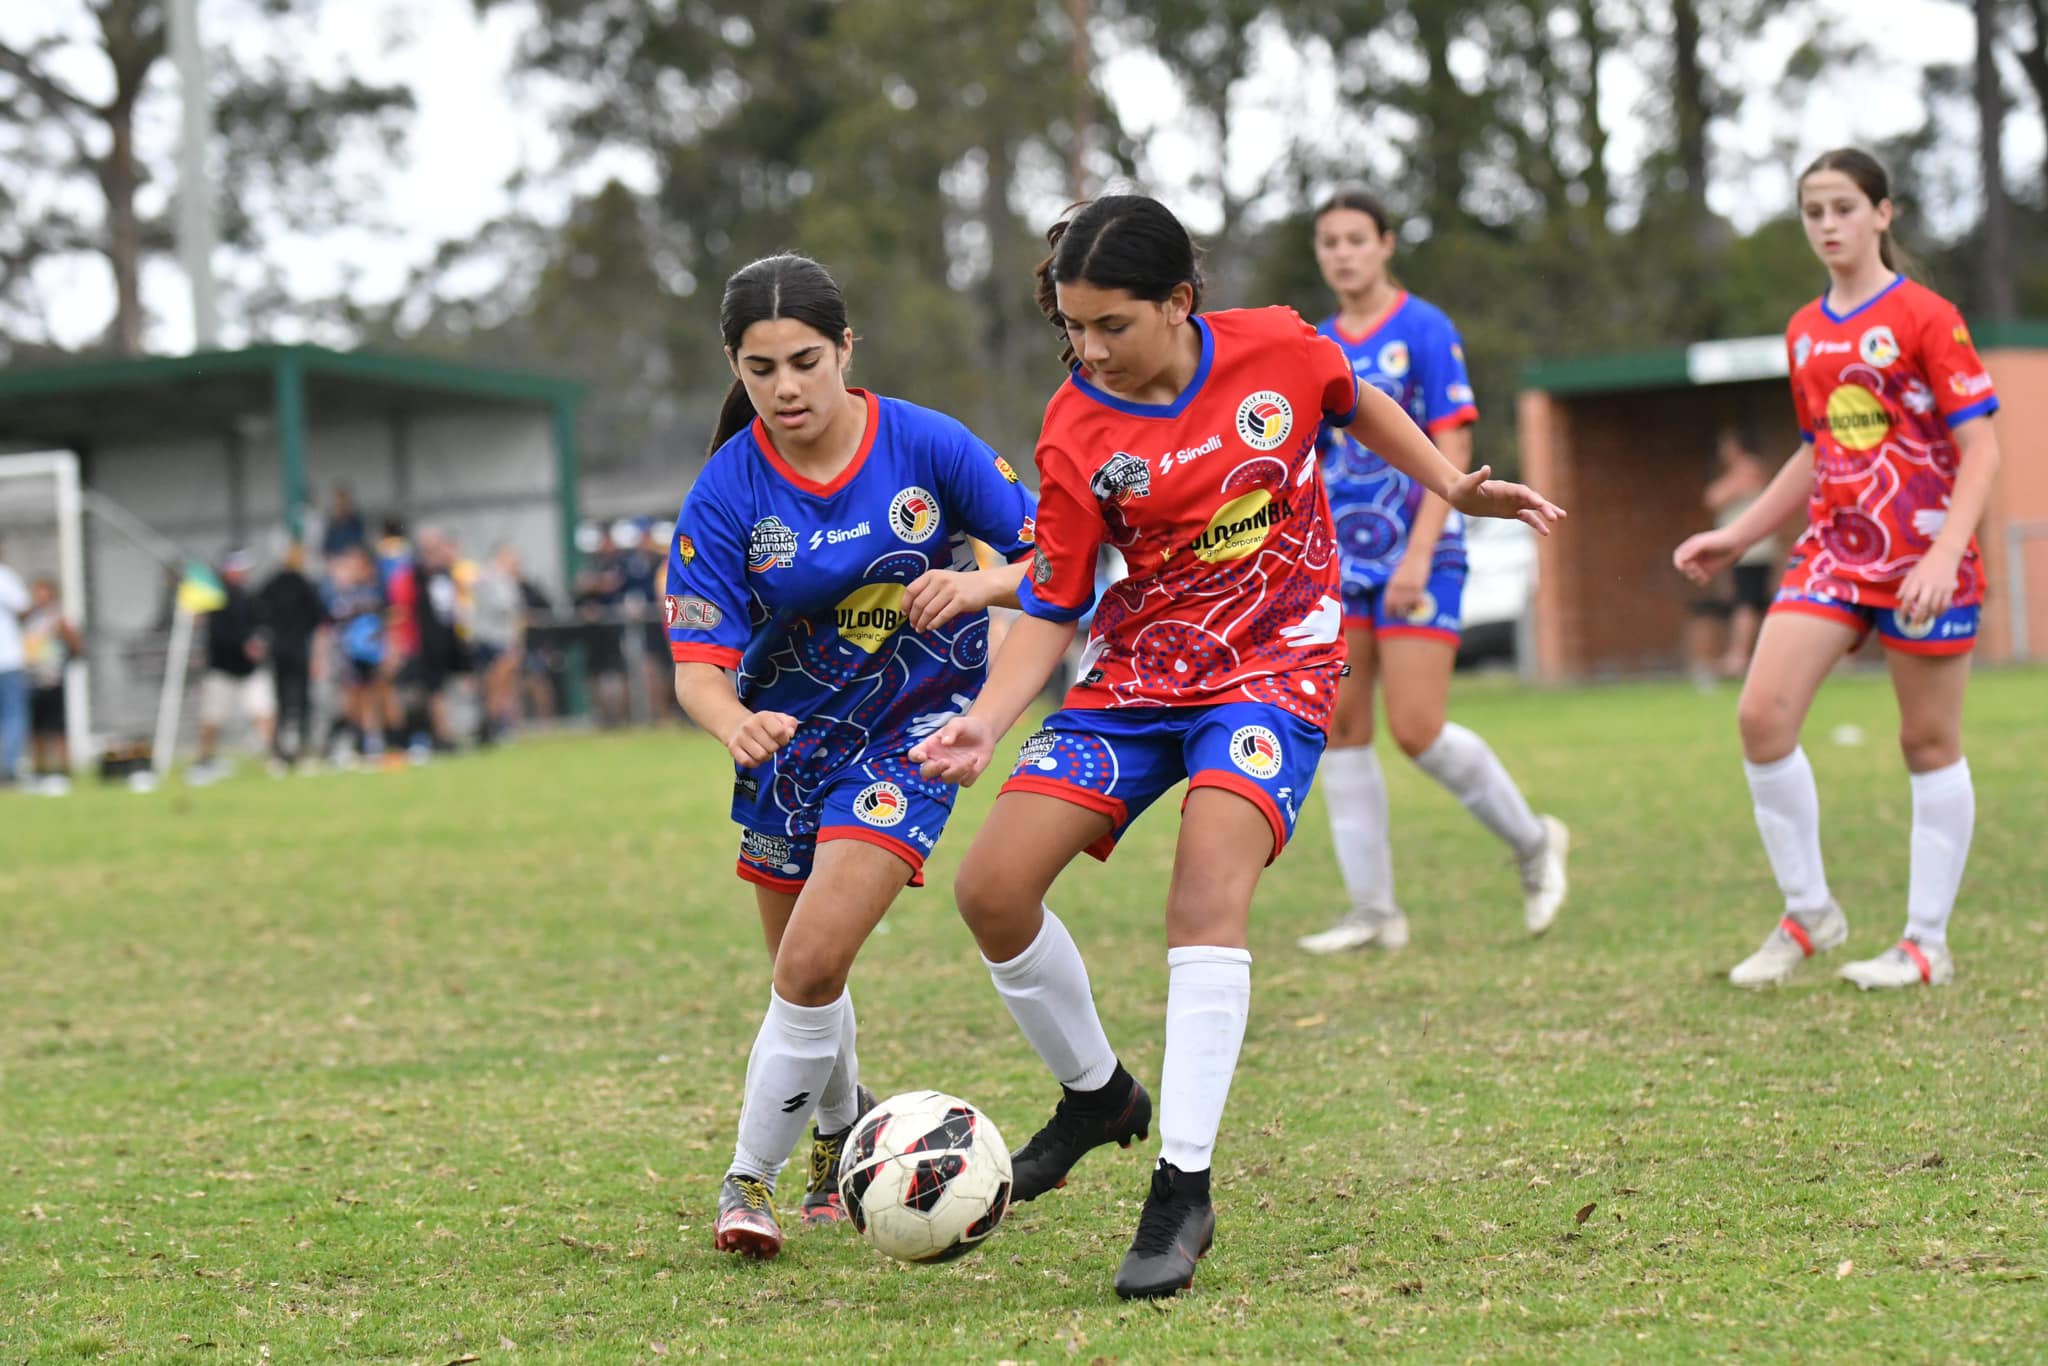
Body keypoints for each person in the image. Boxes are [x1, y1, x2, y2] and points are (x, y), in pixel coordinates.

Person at [908, 195, 1563, 1299]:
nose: (1087, 350)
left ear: (1178, 302)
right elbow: (1059, 600)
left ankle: (1181, 1185)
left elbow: (1355, 402)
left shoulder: (1276, 346)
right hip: (1131, 680)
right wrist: (987, 713)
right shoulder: (1074, 428)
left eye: (1110, 324)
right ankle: (1098, 1095)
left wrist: (1448, 485)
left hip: (1273, 670)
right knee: (990, 889)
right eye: (1071, 328)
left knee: (1203, 896)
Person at [666, 253, 1037, 1261]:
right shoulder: (725, 489)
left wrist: (976, 589)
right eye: (758, 369)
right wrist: (730, 720)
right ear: (735, 370)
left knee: (814, 956)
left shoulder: (927, 443)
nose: (784, 388)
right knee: (804, 976)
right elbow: (696, 664)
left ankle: (748, 1180)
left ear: (844, 350)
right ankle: (843, 1124)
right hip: (783, 751)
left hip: (911, 738)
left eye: (803, 361)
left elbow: (1053, 560)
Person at [1674, 148, 2002, 991]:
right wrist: (1739, 533)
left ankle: (1926, 942)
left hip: (1927, 559)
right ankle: (1810, 911)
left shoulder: (1929, 315)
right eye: (1814, 210)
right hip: (1835, 553)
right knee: (1761, 716)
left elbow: (1983, 448)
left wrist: (1940, 551)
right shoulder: (1804, 329)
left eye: (1844, 207)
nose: (1828, 224)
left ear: (1882, 214)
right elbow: (1819, 449)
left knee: (1926, 740)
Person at [1292, 188, 1569, 956]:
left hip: (1422, 554)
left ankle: (1534, 842)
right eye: (1329, 241)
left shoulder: (1425, 329)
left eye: (1356, 238)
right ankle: (1375, 912)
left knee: (1416, 729)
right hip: (1339, 564)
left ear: (1385, 244)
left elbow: (1453, 455)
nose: (1342, 252)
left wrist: (1417, 555)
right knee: (1342, 729)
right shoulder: (1314, 343)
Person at [191, 550, 274, 783]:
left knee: (263, 712)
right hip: (222, 669)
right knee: (212, 718)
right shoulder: (216, 599)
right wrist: (243, 645)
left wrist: (260, 643)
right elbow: (218, 635)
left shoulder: (249, 597)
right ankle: (204, 760)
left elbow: (262, 626)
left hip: (249, 670)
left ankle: (271, 757)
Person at [257, 543, 328, 770]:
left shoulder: (273, 583)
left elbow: (257, 608)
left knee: (283, 701)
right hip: (297, 650)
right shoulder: (304, 584)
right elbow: (319, 619)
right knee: (302, 702)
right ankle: (300, 747)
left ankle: (282, 750)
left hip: (281, 650)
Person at [23, 577, 84, 792]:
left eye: (44, 593)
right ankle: (39, 772)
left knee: (57, 729)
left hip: (53, 680)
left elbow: (77, 647)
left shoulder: (59, 618)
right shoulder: (27, 620)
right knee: (35, 730)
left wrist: (65, 634)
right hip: (31, 681)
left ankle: (63, 771)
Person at [470, 543, 526, 744]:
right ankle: (492, 726)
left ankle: (503, 725)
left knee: (506, 685)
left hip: (504, 639)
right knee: (495, 685)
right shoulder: (490, 578)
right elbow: (503, 607)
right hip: (492, 640)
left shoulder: (505, 580)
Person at [0, 541, 34, 786]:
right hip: (7, 659)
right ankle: (10, 769)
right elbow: (24, 608)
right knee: (13, 715)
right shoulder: (4, 577)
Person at [320, 483, 366, 559]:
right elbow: (326, 549)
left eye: (344, 502)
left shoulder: (356, 523)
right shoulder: (330, 525)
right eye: (338, 503)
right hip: (335, 563)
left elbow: (357, 546)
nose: (341, 506)